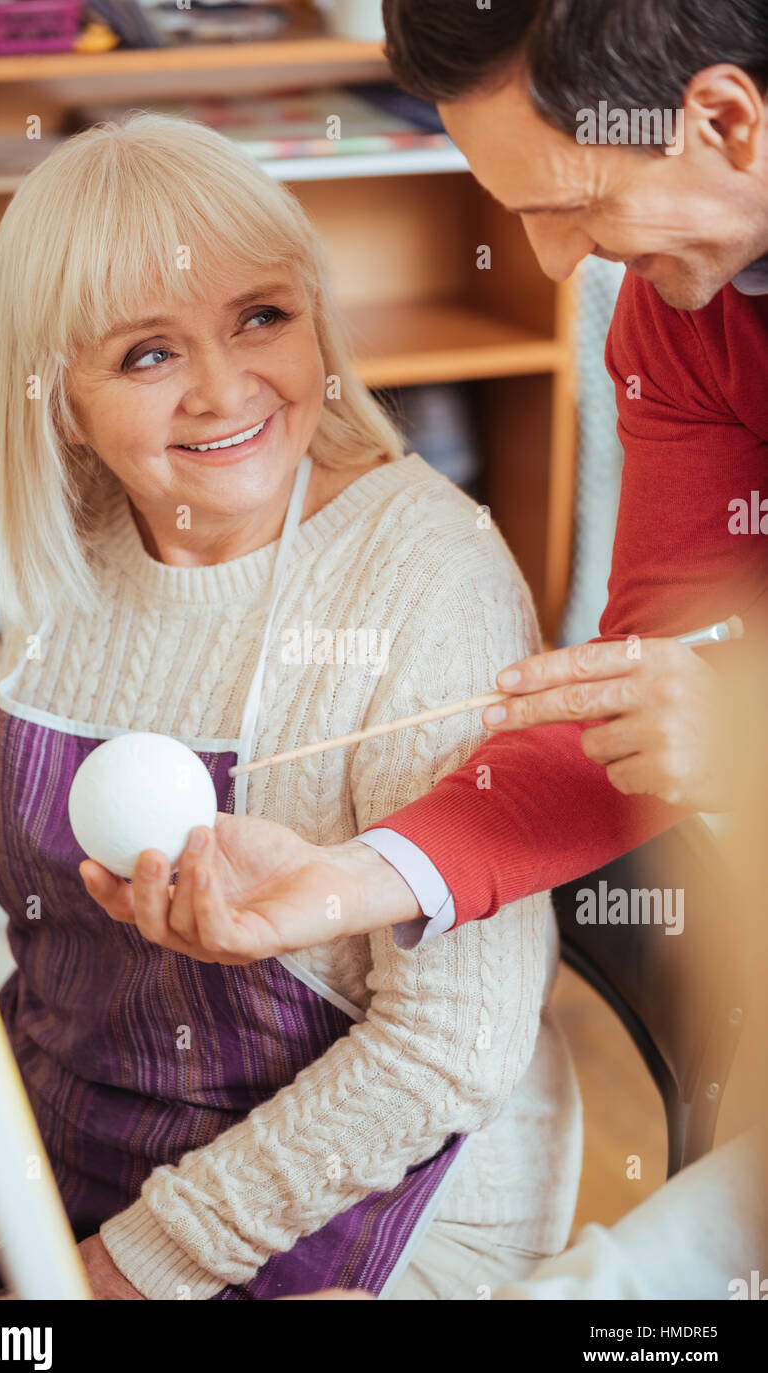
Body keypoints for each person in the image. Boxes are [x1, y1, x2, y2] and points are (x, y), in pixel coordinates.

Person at [0, 114, 582, 1300]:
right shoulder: (96, 533)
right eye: (147, 355)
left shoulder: (426, 576)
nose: (227, 389)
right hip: (85, 1124)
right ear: (59, 402)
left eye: (261, 317)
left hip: (364, 1194)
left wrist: (129, 1271)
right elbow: (18, 767)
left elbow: (448, 1051)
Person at [96, 0, 768, 967]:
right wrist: (348, 881)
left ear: (724, 122)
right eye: (523, 214)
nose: (553, 259)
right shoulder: (683, 316)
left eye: (576, 205)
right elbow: (636, 700)